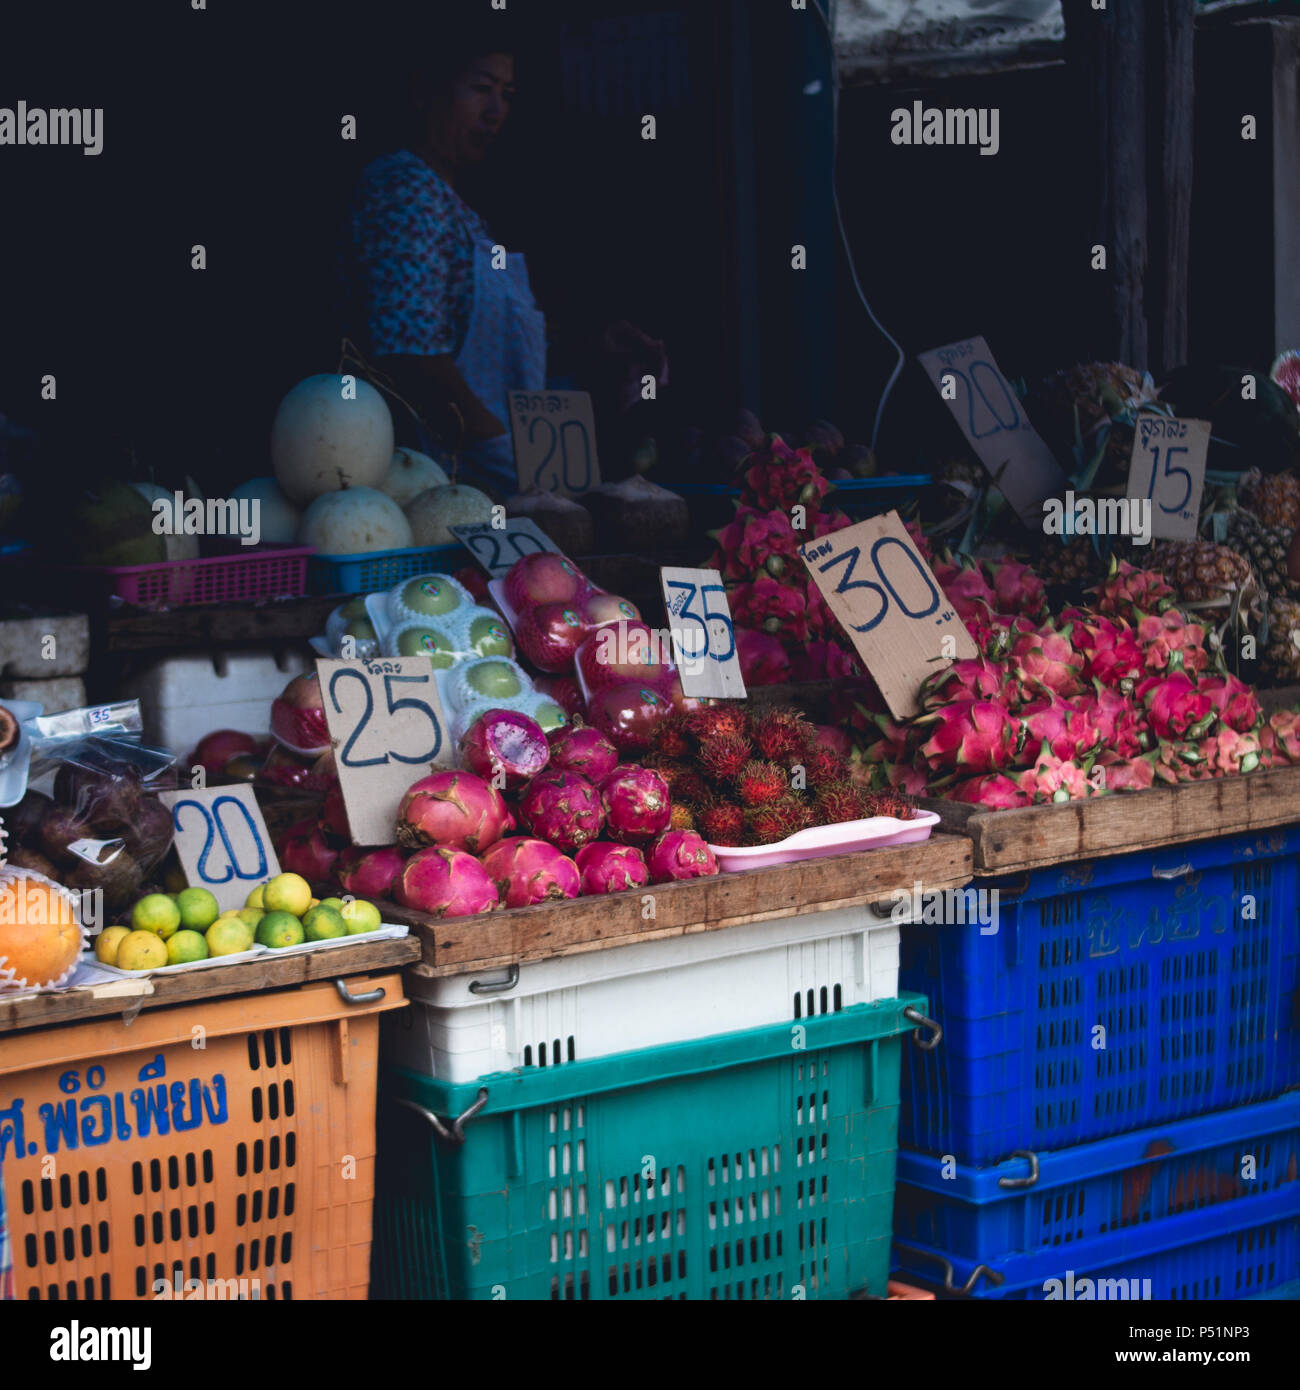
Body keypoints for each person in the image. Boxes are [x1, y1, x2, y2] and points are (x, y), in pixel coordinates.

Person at [341, 16, 543, 491]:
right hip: (426, 480)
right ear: (424, 92)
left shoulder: (460, 210)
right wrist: (504, 453)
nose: (496, 111)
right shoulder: (405, 189)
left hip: (480, 480)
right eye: (481, 89)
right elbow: (412, 356)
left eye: (507, 95)